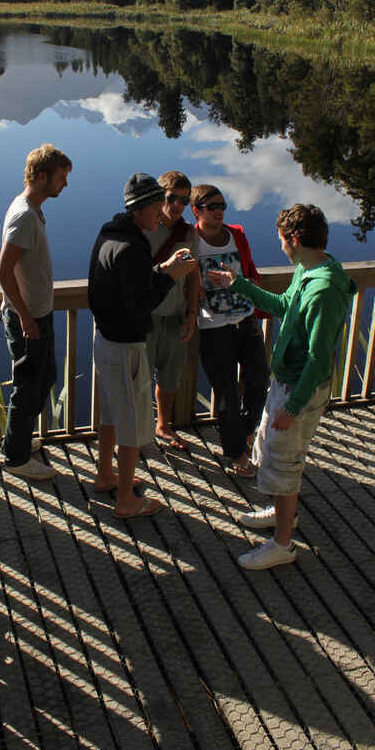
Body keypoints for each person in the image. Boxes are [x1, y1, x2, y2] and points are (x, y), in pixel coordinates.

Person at [208, 204, 356, 569]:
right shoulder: (309, 270)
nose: (280, 248)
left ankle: (283, 544)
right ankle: (281, 514)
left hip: (299, 391)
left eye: (281, 241)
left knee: (285, 463)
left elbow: (319, 357)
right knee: (271, 451)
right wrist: (238, 284)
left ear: (293, 239)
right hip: (287, 382)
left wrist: (294, 407)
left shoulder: (323, 290)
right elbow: (283, 306)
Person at [88, 173, 196, 518]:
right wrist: (169, 276)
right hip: (126, 345)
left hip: (104, 339)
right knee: (133, 425)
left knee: (108, 414)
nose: (162, 214)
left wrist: (161, 268)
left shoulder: (109, 233)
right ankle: (126, 500)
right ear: (141, 209)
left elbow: (125, 286)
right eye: (156, 208)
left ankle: (105, 475)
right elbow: (142, 301)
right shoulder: (133, 248)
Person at [0, 144, 72, 481]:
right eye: (61, 178)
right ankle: (15, 458)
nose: (64, 185)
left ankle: (18, 440)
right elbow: (2, 271)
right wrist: (25, 316)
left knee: (47, 377)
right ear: (42, 177)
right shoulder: (24, 215)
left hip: (39, 313)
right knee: (28, 387)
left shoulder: (32, 209)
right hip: (28, 319)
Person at [191, 185, 269, 476]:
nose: (219, 211)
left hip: (246, 321)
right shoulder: (189, 239)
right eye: (211, 206)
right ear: (196, 211)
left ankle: (246, 433)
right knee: (226, 393)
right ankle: (238, 454)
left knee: (259, 383)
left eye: (222, 205)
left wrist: (253, 289)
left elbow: (249, 270)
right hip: (214, 327)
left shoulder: (236, 233)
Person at [144, 171, 201, 450]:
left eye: (184, 200)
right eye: (172, 198)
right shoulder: (145, 229)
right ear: (160, 197)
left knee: (169, 377)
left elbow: (193, 276)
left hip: (176, 315)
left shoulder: (188, 233)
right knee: (139, 377)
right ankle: (136, 431)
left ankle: (163, 425)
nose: (177, 205)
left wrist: (191, 314)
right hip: (146, 317)